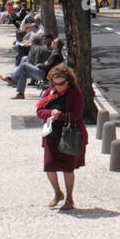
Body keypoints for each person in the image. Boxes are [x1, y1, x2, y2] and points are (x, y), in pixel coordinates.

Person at [37, 64, 88, 210]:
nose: (58, 86)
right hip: (51, 135)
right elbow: (39, 111)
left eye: (61, 83)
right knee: (49, 166)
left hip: (69, 135)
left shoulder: (75, 93)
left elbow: (77, 115)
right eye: (55, 83)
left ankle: (70, 198)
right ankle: (57, 193)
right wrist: (50, 113)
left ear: (68, 81)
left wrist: (59, 116)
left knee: (68, 168)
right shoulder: (49, 92)